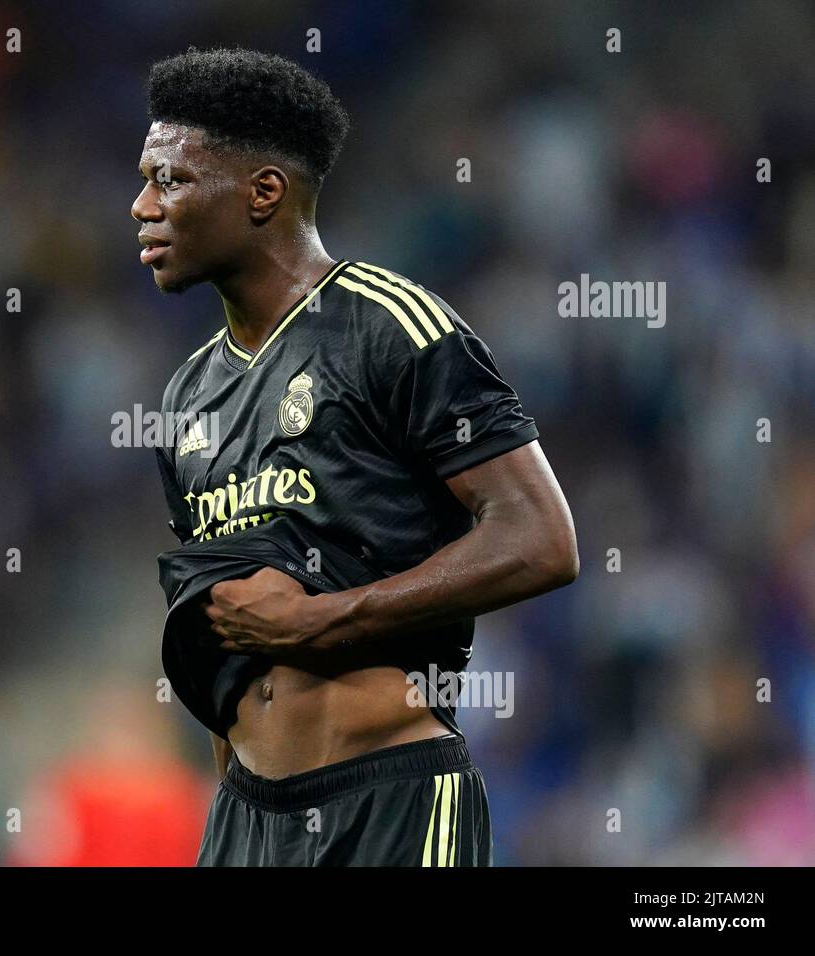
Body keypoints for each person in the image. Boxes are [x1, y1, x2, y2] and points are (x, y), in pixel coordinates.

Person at [135, 47, 578, 866]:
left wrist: (326, 619)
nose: (142, 205)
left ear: (263, 192)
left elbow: (542, 539)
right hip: (246, 816)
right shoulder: (185, 398)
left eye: (171, 180)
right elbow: (224, 636)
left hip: (390, 798)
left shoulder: (390, 326)